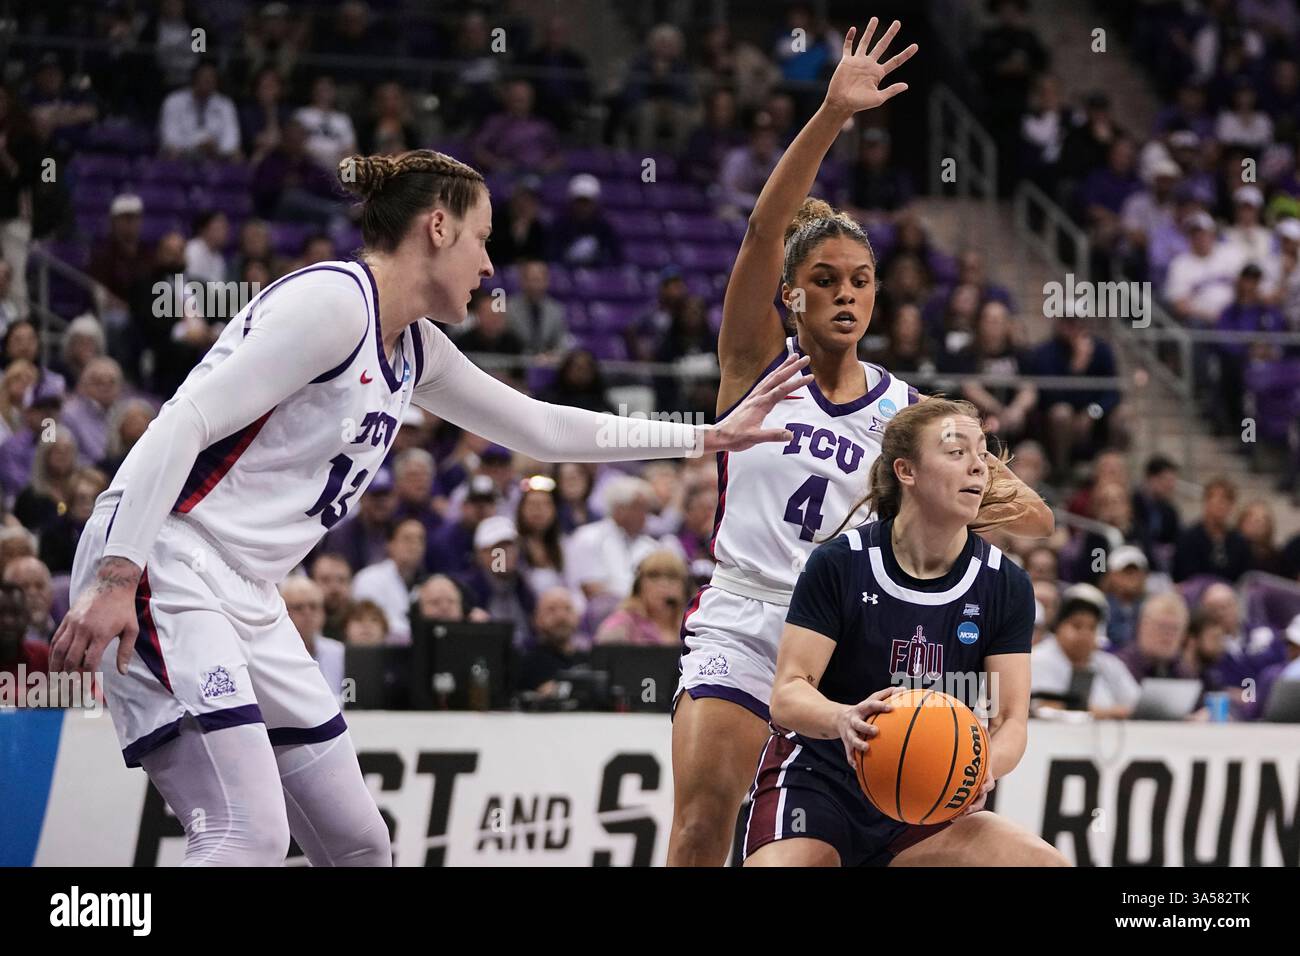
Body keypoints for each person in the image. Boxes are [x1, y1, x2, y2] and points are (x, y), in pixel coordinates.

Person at [52, 147, 807, 868]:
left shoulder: (414, 346)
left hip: (247, 592)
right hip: (168, 555)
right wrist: (118, 572)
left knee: (360, 845)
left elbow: (541, 429)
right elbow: (183, 420)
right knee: (244, 831)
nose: (488, 264)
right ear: (436, 226)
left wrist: (705, 435)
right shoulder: (333, 301)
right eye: (481, 238)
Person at [669, 19, 1054, 868]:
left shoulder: (910, 414)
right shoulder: (752, 363)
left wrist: (979, 486)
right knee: (701, 823)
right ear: (792, 297)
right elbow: (761, 233)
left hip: (847, 637)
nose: (845, 294)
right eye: (824, 281)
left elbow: (1029, 522)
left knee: (862, 830)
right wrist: (834, 115)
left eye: (861, 280)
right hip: (745, 617)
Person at [745, 399, 1062, 866]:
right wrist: (842, 719)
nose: (978, 466)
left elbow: (1011, 719)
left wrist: (981, 769)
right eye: (956, 452)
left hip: (929, 788)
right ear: (906, 471)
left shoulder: (1006, 583)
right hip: (821, 775)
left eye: (983, 453)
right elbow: (788, 694)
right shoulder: (841, 562)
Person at [594, 549, 689, 646]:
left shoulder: (692, 626)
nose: (663, 584)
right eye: (654, 576)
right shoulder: (622, 624)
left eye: (672, 577)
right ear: (639, 585)